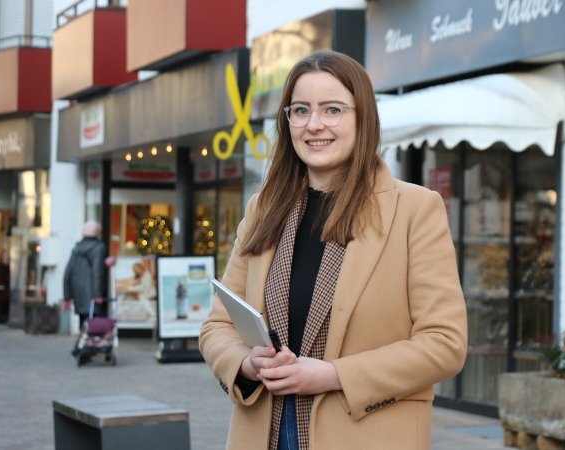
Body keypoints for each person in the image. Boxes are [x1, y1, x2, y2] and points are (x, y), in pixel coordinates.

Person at [199, 50, 467, 450]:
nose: (314, 125)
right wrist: (246, 364)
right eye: (301, 110)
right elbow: (217, 326)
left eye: (333, 110)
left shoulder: (415, 210)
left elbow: (444, 344)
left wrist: (333, 375)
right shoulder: (263, 210)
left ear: (363, 118)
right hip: (266, 433)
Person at [63, 220, 107, 330]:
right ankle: (89, 346)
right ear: (98, 233)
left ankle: (82, 345)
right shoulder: (99, 248)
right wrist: (98, 294)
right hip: (93, 294)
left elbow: (68, 272)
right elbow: (97, 272)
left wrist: (67, 296)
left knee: (83, 323)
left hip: (79, 293)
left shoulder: (76, 248)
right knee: (94, 326)